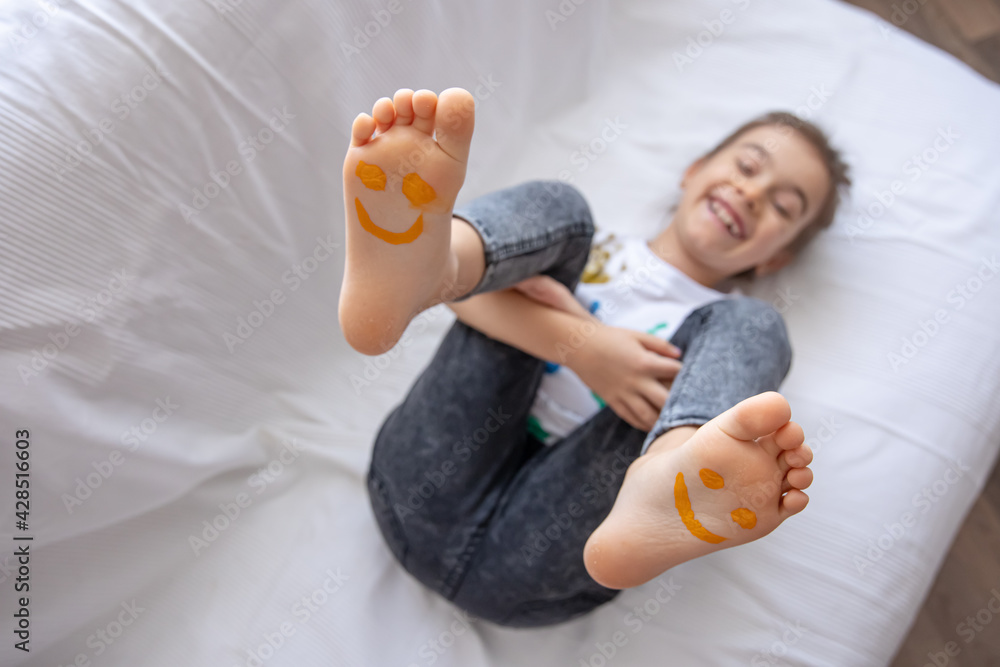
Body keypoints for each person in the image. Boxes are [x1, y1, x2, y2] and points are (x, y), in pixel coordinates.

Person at [338, 87, 851, 627]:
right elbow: (469, 308)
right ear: (693, 171)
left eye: (781, 206)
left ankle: (671, 470)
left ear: (776, 258)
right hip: (421, 479)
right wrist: (587, 347)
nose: (752, 194)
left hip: (549, 557)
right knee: (563, 209)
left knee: (757, 327)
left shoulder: (723, 332)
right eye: (748, 166)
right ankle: (431, 265)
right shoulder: (583, 250)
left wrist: (562, 324)